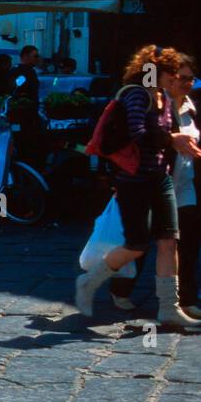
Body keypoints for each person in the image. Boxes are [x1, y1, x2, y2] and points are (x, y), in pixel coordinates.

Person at [76, 46, 201, 327]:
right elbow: (137, 133)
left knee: (169, 241)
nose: (176, 82)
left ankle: (169, 308)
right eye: (172, 76)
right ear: (155, 72)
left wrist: (178, 141)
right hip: (134, 181)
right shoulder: (137, 94)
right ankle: (89, 281)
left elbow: (166, 135)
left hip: (161, 178)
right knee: (137, 245)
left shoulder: (163, 98)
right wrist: (172, 139)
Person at [163, 57, 201, 319]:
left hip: (186, 185)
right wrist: (170, 140)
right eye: (182, 78)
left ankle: (185, 300)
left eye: (191, 78)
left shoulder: (193, 107)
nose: (188, 83)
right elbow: (143, 138)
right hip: (158, 186)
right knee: (139, 246)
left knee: (187, 244)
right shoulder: (156, 105)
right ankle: (117, 287)